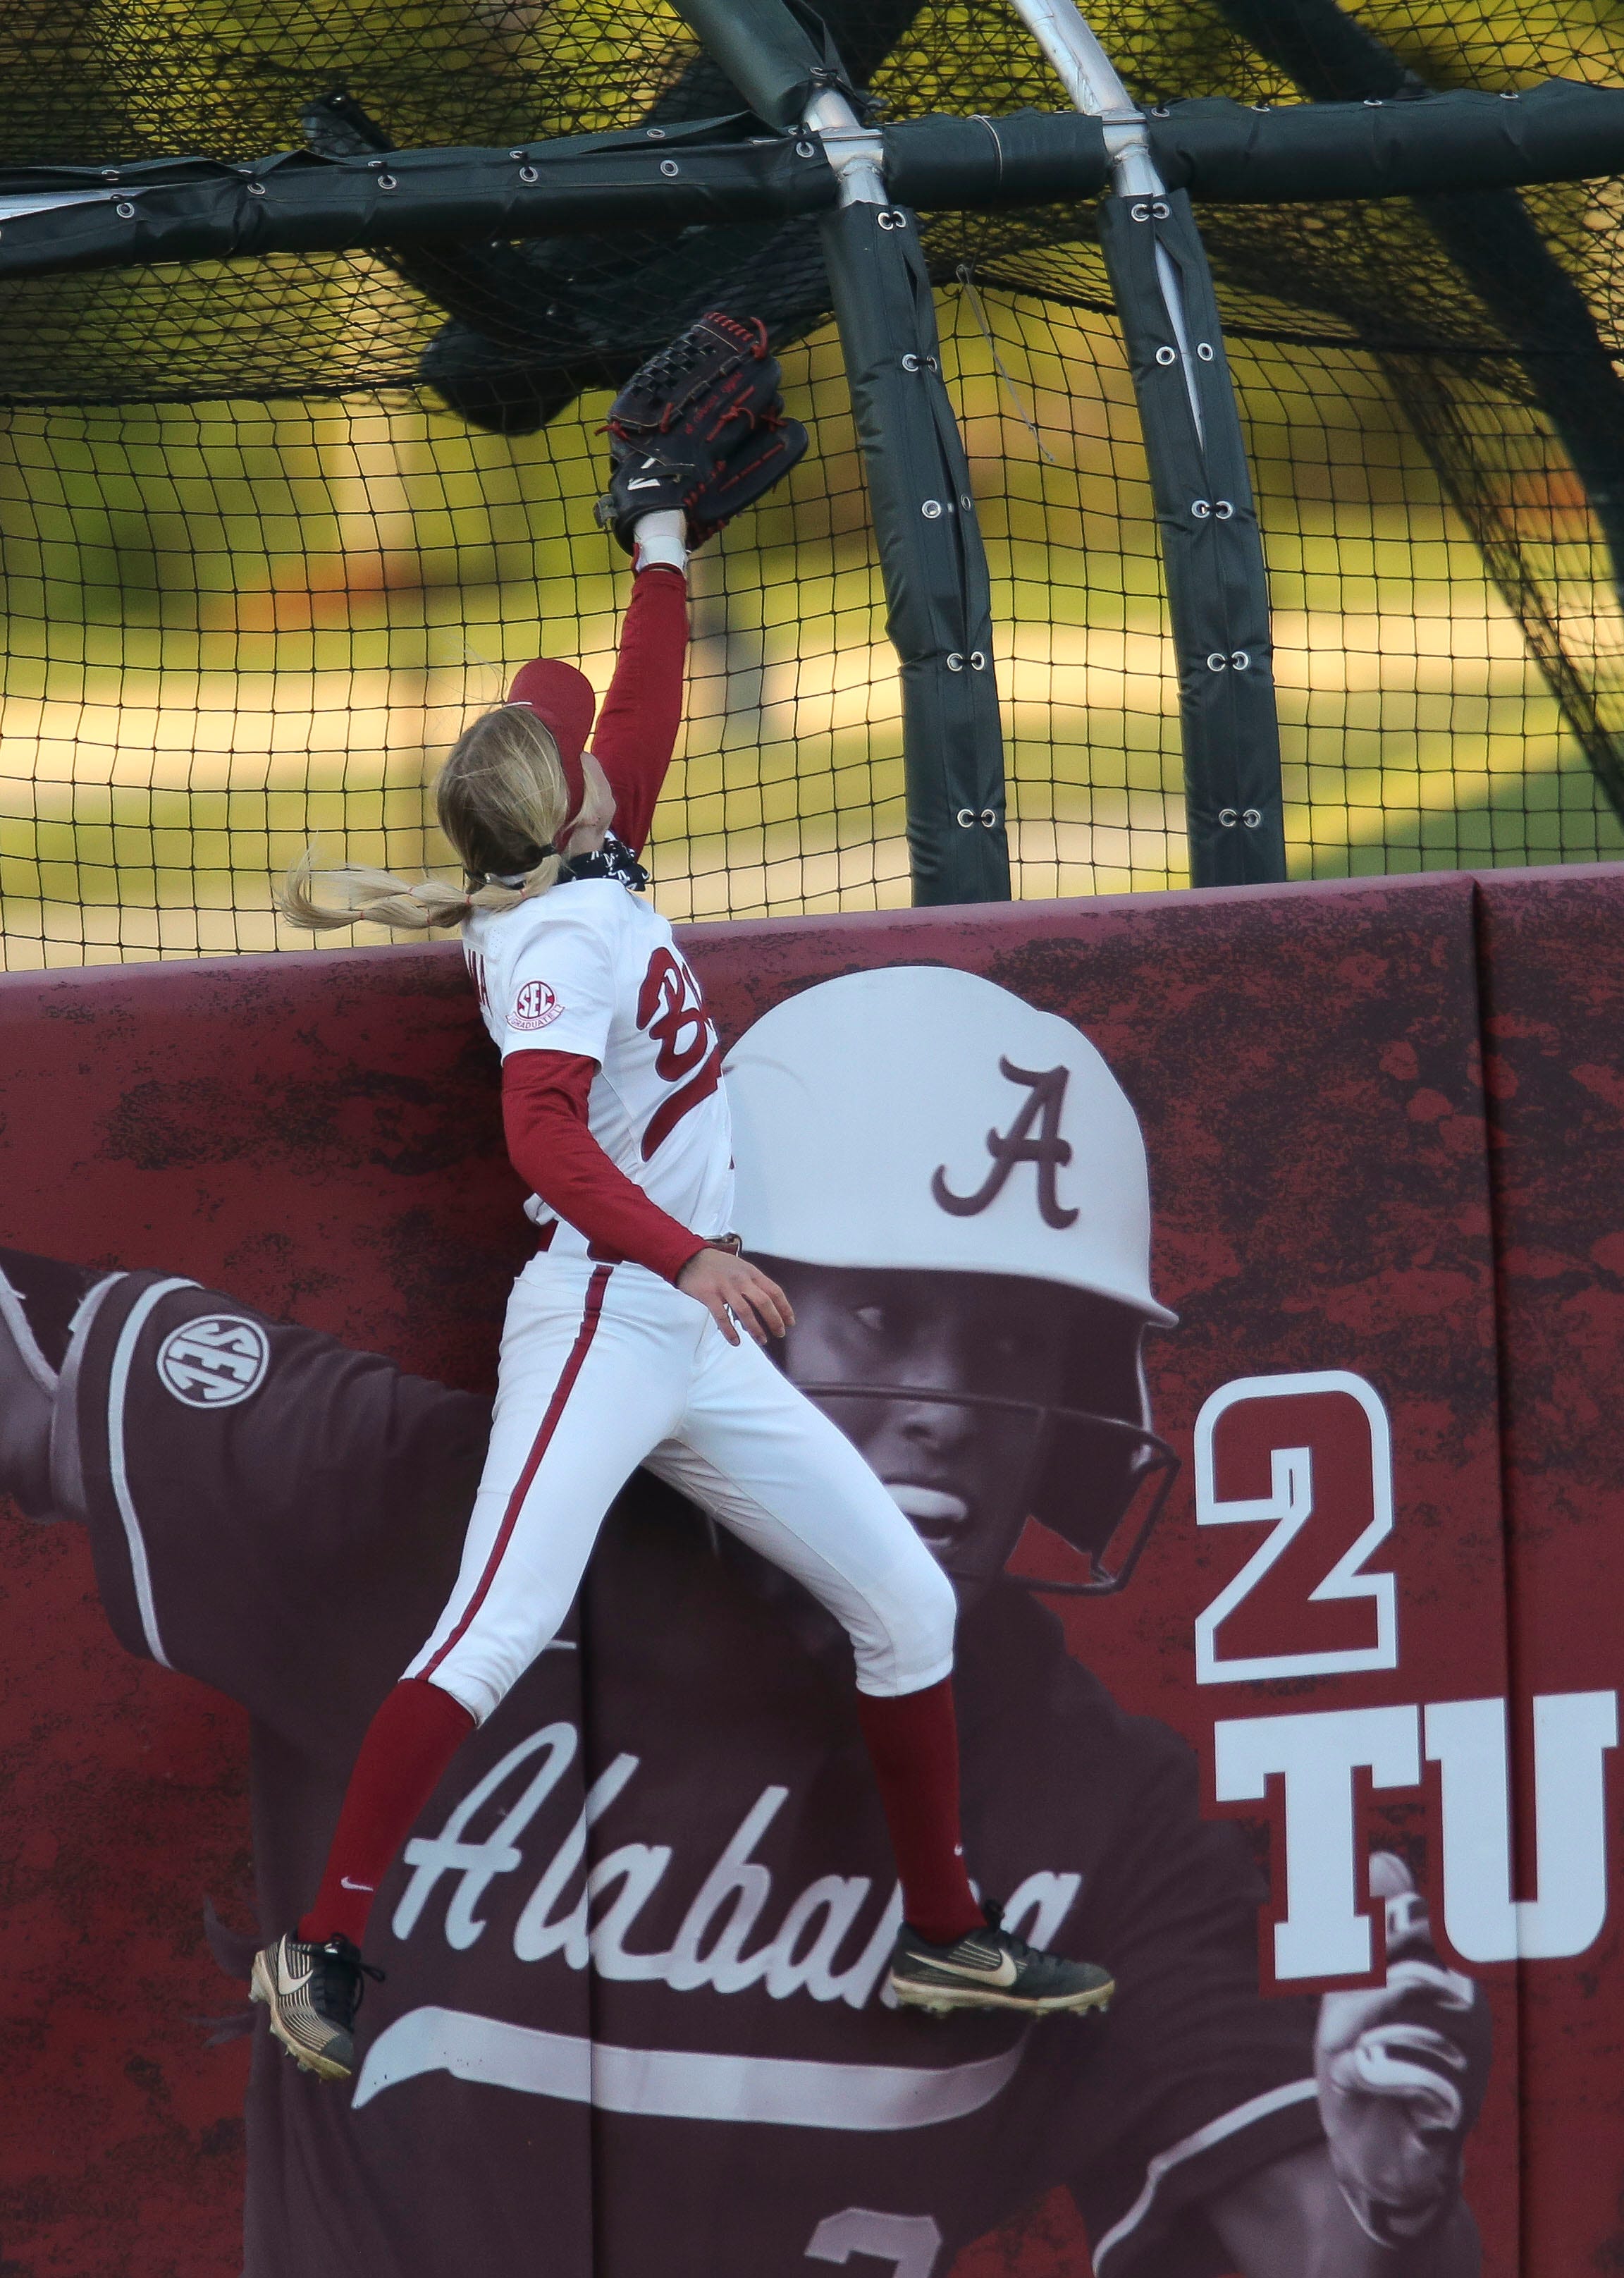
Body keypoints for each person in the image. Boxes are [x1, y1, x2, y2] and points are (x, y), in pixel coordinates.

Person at [0, 969, 1489, 2274]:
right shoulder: (433, 1510)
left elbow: (1318, 2243)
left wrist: (1393, 2189)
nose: (948, 1407)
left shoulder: (1099, 1811)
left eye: (1014, 1340)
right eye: (884, 1316)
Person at [253, 341, 1112, 2083]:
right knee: (492, 1632)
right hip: (605, 1318)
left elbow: (627, 700)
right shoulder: (557, 939)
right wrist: (689, 1248)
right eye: (567, 753)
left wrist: (661, 535)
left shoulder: (584, 858)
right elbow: (542, 1139)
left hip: (687, 1337)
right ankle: (321, 1946)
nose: (593, 750)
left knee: (908, 1604)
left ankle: (945, 1936)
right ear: (557, 808)